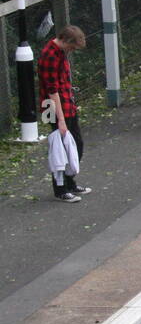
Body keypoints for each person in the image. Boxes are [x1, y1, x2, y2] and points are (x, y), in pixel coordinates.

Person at [38, 25, 90, 202]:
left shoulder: (60, 52)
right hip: (53, 107)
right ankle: (60, 189)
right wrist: (61, 120)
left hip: (66, 103)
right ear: (66, 41)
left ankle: (69, 183)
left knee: (75, 144)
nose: (72, 51)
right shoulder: (50, 56)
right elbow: (52, 92)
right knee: (59, 149)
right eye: (72, 47)